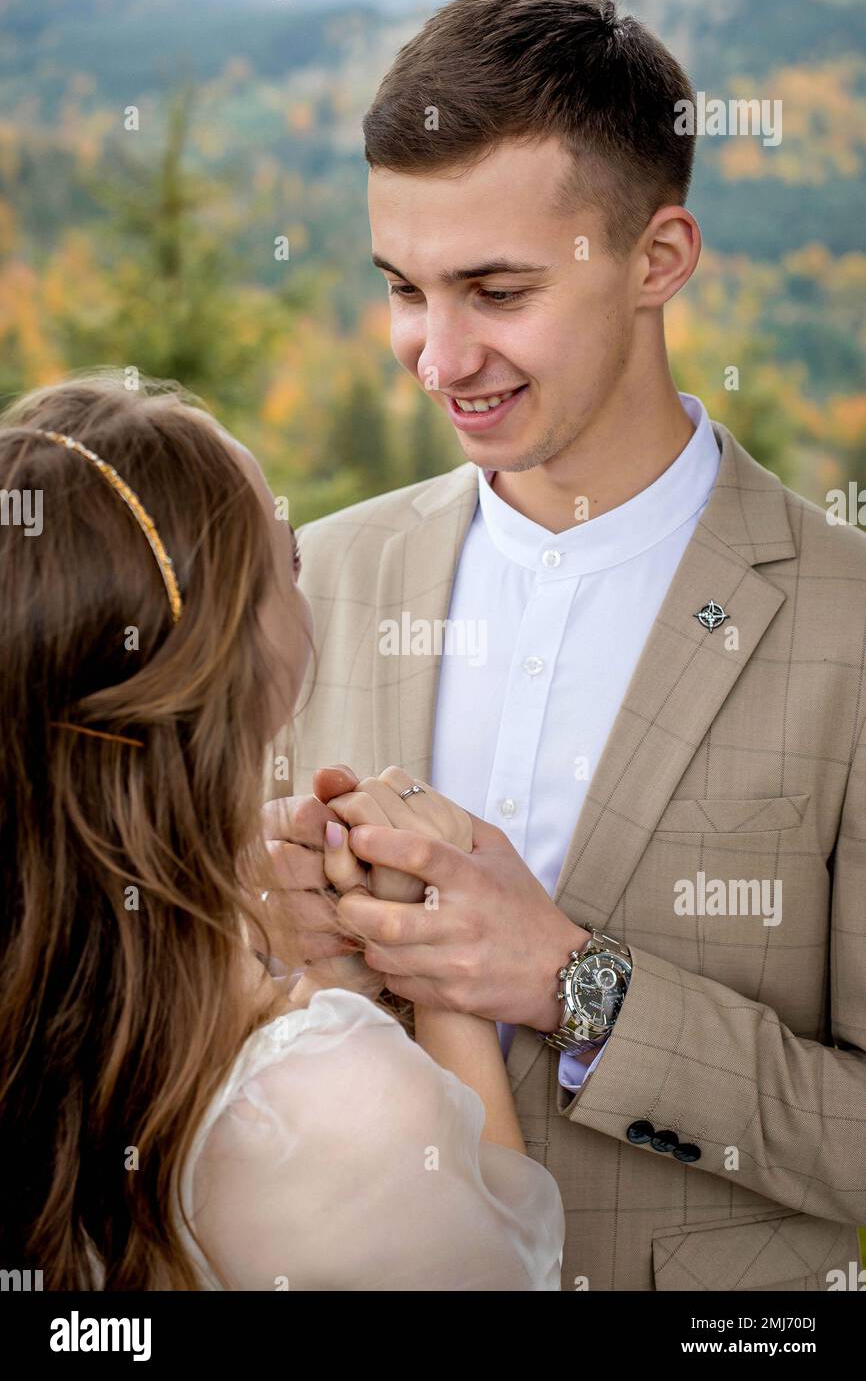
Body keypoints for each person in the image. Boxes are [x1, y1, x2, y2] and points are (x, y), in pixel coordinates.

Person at [278, 0, 866, 1290]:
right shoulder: (317, 576)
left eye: (496, 291)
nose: (436, 358)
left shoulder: (848, 625)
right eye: (403, 291)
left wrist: (575, 985)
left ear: (657, 258)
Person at [0, 372, 565, 1291]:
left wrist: (261, 935)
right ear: (245, 657)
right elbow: (509, 1259)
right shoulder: (327, 1104)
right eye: (288, 564)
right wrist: (442, 977)